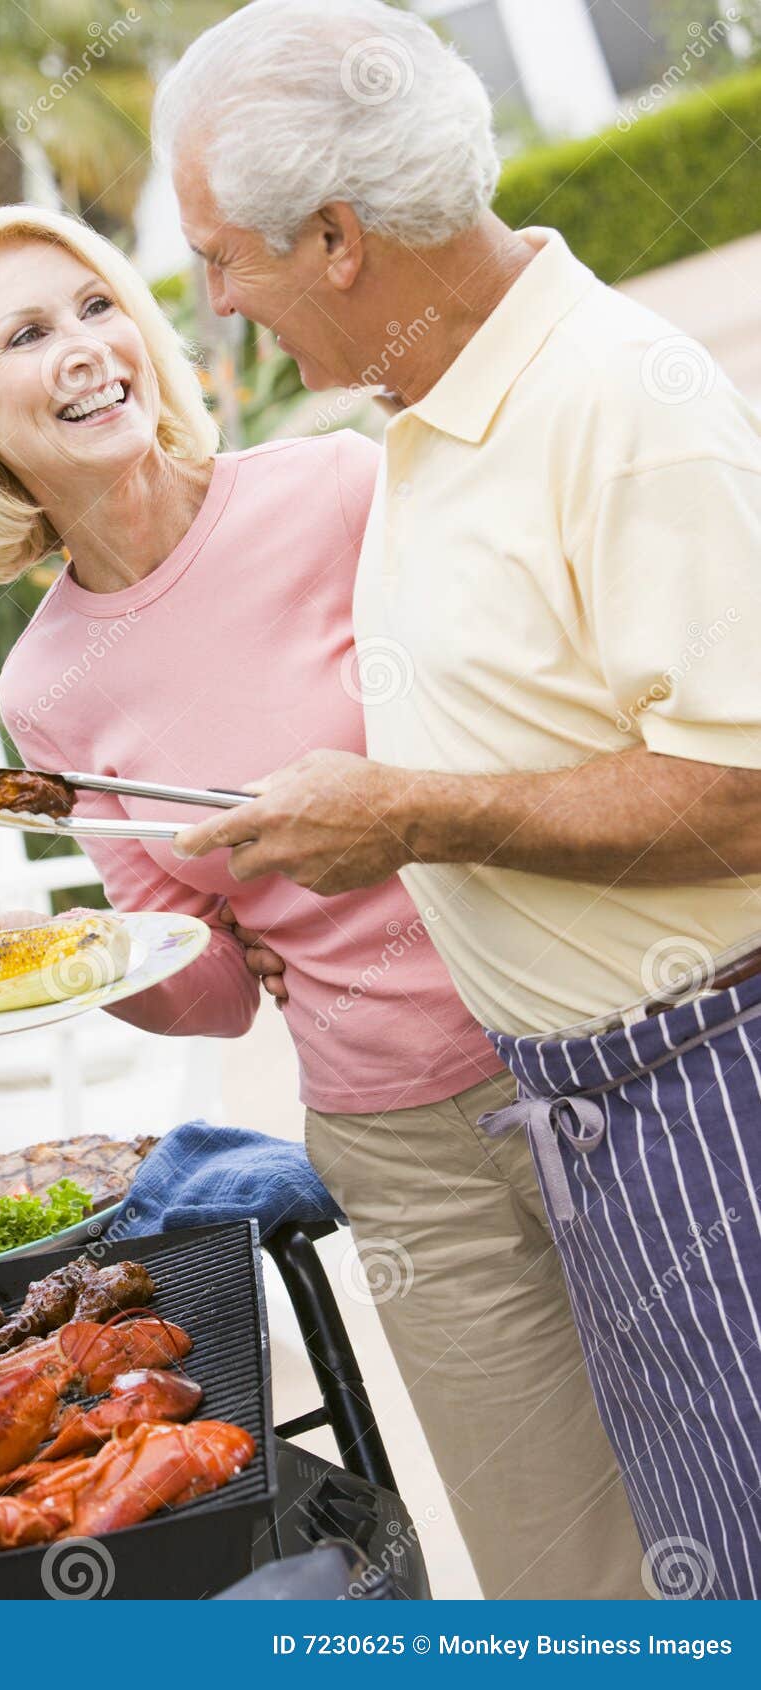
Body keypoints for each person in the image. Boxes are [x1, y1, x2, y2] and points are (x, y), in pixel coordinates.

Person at [0, 202, 642, 1599]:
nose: (86, 348)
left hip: (589, 1051)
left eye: (97, 306)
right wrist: (70, 957)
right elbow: (214, 985)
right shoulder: (46, 688)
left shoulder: (338, 489)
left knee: (724, 1477)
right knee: (561, 1571)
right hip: (400, 1147)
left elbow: (537, 711)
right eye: (29, 333)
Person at [160, 0, 761, 1600]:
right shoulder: (426, 415)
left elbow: (747, 795)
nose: (216, 302)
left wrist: (409, 815)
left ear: (336, 237)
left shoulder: (620, 402)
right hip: (600, 1111)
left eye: (222, 256)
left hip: (717, 1096)